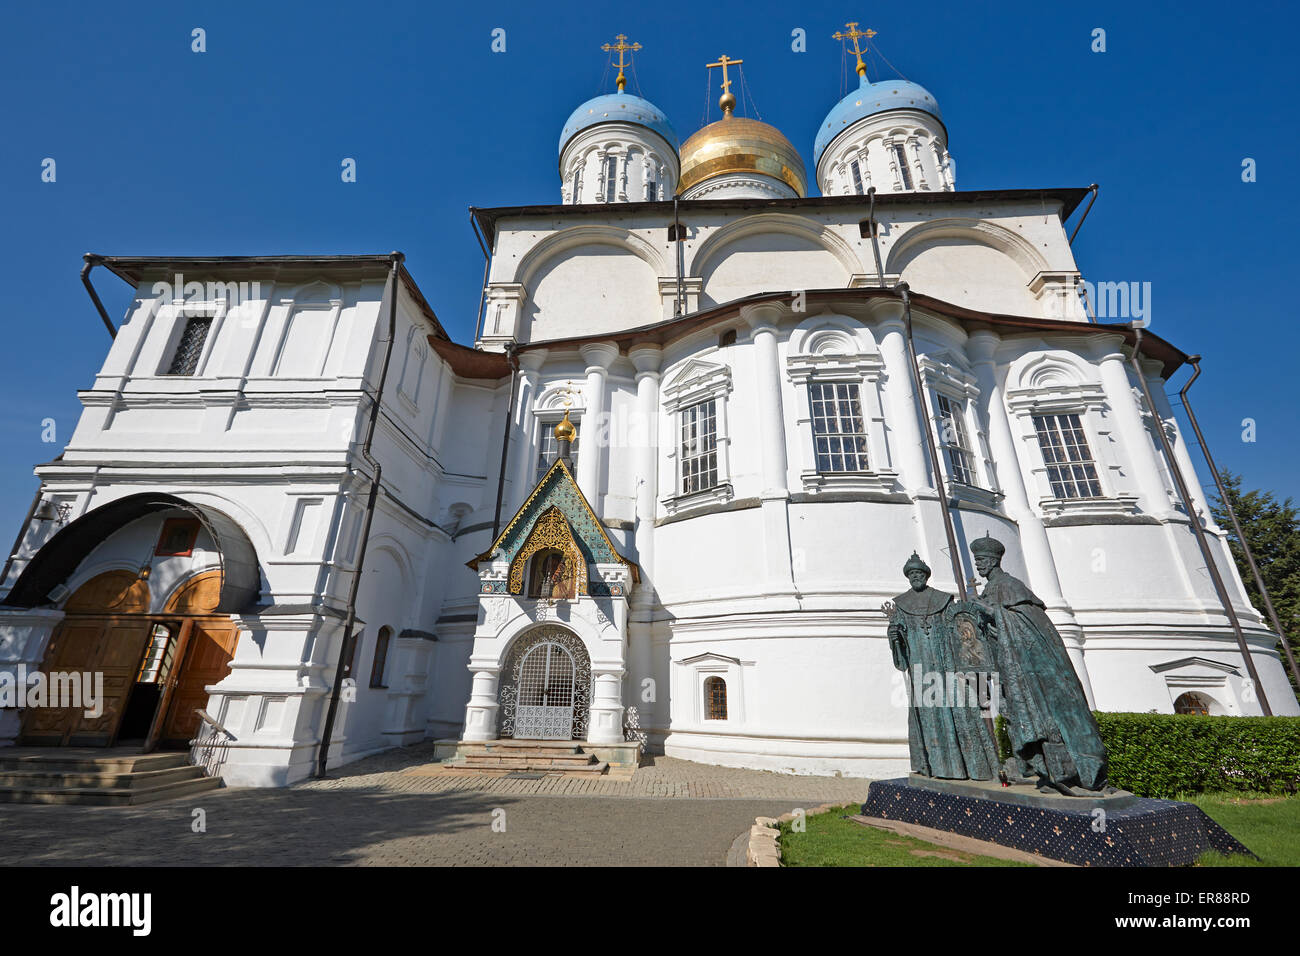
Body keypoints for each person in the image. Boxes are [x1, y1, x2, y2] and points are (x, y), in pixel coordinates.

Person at [970, 534, 1109, 794]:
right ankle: (1044, 773)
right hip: (1010, 666)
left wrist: (991, 613)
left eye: (981, 560)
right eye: (977, 561)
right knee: (1024, 717)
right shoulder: (989, 589)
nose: (978, 565)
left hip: (1030, 668)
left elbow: (1027, 622)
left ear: (992, 560)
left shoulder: (1011, 585)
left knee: (1045, 718)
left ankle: (1066, 775)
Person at [886, 552, 1000, 780]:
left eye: (919, 573)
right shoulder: (901, 605)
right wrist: (894, 635)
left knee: (961, 710)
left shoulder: (943, 600)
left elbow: (959, 629)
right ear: (908, 578)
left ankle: (972, 767)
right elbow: (899, 643)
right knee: (929, 715)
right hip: (921, 669)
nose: (916, 577)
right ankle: (936, 767)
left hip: (947, 664)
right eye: (912, 574)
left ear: (926, 576)